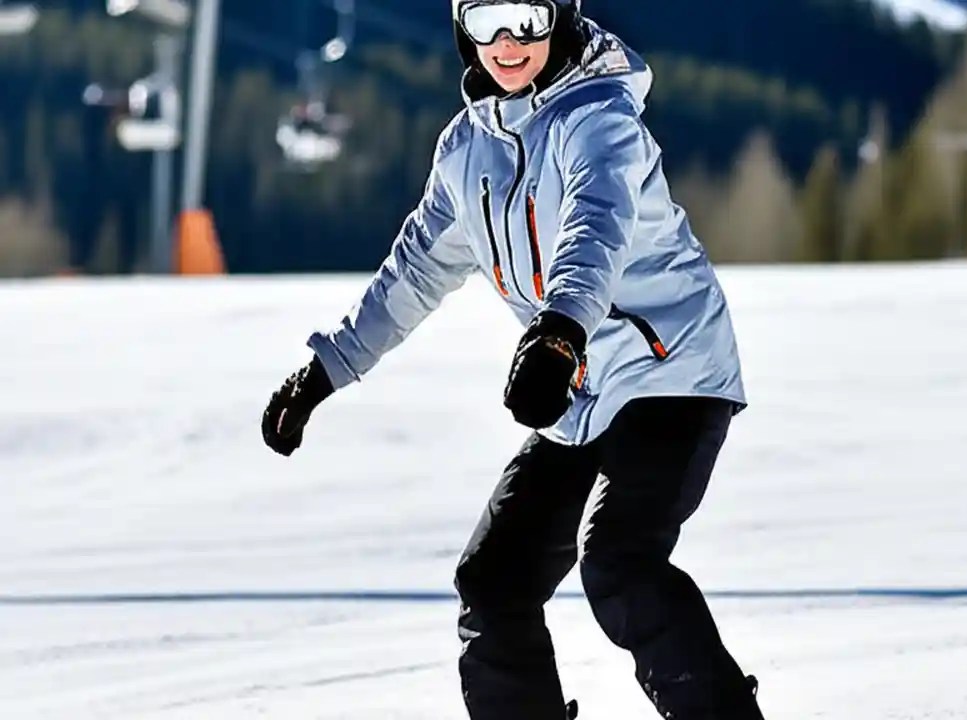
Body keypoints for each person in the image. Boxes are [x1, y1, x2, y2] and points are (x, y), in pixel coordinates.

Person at [261, 1, 763, 718]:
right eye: (488, 17)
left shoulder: (598, 119)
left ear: (560, 18)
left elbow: (596, 230)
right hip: (580, 394)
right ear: (462, 25)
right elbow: (413, 274)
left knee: (621, 562)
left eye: (526, 18)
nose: (507, 42)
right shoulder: (468, 150)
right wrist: (325, 372)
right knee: (495, 580)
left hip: (670, 371)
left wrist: (558, 332)